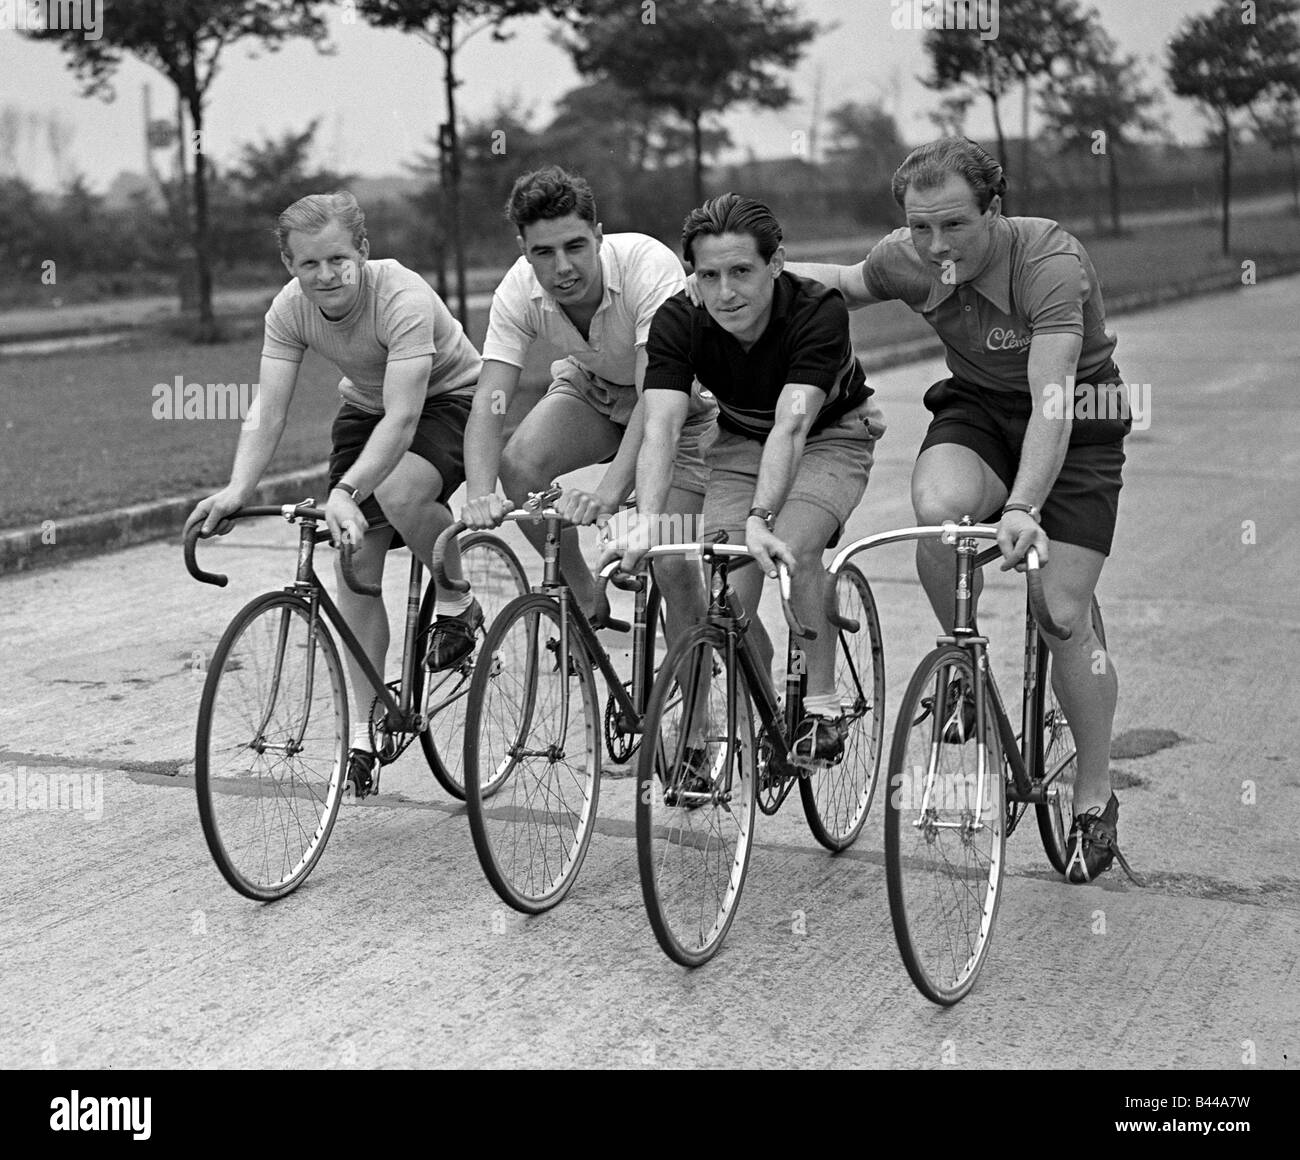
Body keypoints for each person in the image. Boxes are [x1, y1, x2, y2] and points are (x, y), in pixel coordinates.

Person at [786, 137, 1135, 883]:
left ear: (995, 211)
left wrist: (1024, 505)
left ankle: (1096, 793)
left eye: (954, 226)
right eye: (920, 228)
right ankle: (966, 671)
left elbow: (1052, 398)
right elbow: (844, 282)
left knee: (1062, 612)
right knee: (940, 518)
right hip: (978, 408)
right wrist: (741, 274)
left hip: (1073, 418)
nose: (936, 246)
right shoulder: (906, 257)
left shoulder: (1049, 261)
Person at [184, 191, 482, 799]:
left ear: (363, 252)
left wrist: (347, 490)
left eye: (338, 259)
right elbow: (268, 407)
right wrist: (238, 489)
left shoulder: (399, 295)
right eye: (308, 264)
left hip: (449, 399)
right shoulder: (289, 310)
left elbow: (403, 420)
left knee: (397, 494)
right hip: (365, 408)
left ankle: (457, 597)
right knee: (354, 562)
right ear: (290, 266)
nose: (325, 275)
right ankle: (365, 729)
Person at [614, 193, 887, 776]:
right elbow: (659, 426)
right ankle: (774, 716)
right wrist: (645, 519)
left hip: (828, 435)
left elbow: (793, 424)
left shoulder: (819, 310)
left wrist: (761, 518)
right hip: (740, 443)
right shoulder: (678, 318)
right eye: (708, 275)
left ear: (776, 263)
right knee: (728, 601)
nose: (726, 292)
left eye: (741, 271)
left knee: (794, 544)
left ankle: (820, 705)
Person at [459, 166, 716, 639]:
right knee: (518, 467)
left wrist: (609, 493)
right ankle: (580, 594)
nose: (562, 268)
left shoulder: (646, 263)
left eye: (575, 246)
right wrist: (478, 493)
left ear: (598, 236)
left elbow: (655, 400)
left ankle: (701, 707)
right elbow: (491, 400)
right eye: (543, 252)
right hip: (595, 387)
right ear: (523, 250)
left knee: (670, 562)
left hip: (678, 405)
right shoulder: (517, 289)